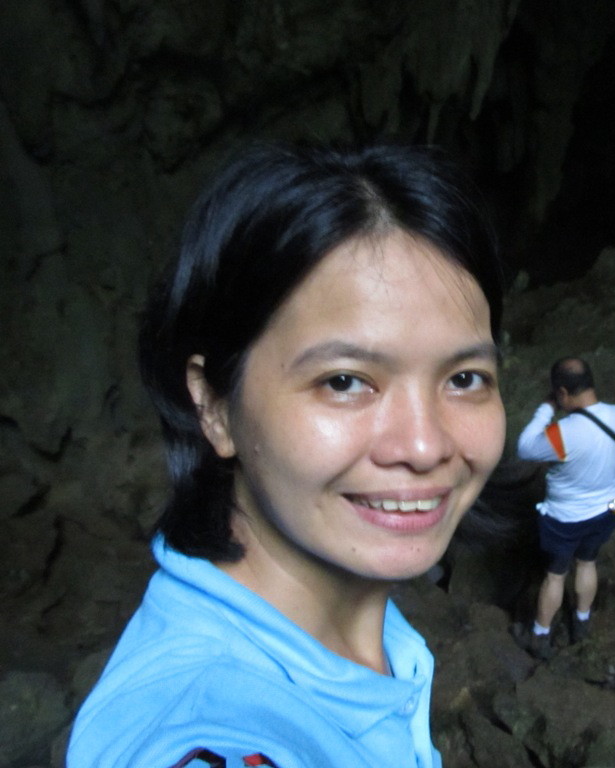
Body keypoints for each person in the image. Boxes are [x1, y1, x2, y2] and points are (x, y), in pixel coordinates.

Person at [67, 142, 506, 768]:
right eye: (345, 381)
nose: (424, 446)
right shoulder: (200, 725)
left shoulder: (364, 632)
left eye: (464, 378)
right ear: (214, 404)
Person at [516, 357, 615, 659]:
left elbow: (524, 446)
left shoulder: (562, 433)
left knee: (556, 575)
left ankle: (540, 635)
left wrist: (546, 408)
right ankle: (581, 622)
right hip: (606, 511)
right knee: (588, 563)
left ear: (562, 393)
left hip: (565, 519)